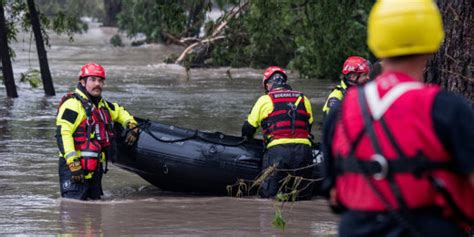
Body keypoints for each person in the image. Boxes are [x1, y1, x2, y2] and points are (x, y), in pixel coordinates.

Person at [322, 0, 474, 236]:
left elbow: (334, 196)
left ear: (376, 41)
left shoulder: (339, 112)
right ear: (433, 42)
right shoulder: (449, 109)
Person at [56, 63, 140, 200]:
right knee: (73, 212)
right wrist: (73, 163)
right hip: (74, 169)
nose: (98, 84)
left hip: (95, 169)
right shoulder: (72, 105)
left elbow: (119, 111)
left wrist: (131, 125)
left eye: (100, 81)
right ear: (83, 82)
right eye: (93, 80)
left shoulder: (102, 105)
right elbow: (63, 134)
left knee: (94, 215)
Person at [241, 66, 314, 200]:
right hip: (304, 152)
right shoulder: (304, 98)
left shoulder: (265, 100)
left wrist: (248, 144)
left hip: (278, 153)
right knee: (302, 198)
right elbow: (308, 126)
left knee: (269, 198)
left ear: (268, 85)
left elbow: (248, 129)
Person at [321, 56, 371, 121]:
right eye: (365, 75)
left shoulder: (361, 92)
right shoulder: (336, 97)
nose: (368, 78)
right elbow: (334, 126)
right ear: (353, 77)